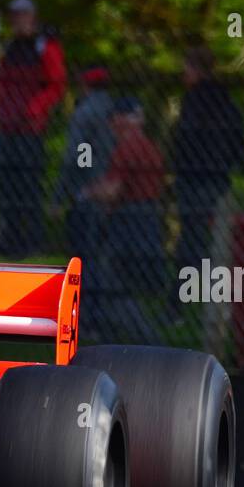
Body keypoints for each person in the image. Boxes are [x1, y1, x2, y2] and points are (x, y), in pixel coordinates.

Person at [84, 98, 165, 342]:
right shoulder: (150, 146)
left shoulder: (128, 148)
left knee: (112, 282)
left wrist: (88, 193)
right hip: (146, 218)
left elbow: (113, 191)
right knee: (117, 283)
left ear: (121, 120)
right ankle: (119, 336)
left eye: (114, 119)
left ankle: (144, 340)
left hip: (130, 221)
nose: (111, 125)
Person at [0, 0, 66, 257]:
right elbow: (0, 81)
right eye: (14, 15)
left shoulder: (45, 46)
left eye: (22, 15)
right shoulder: (10, 46)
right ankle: (8, 238)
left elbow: (56, 84)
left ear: (32, 17)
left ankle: (32, 240)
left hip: (31, 129)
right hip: (7, 126)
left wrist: (33, 109)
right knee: (7, 183)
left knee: (29, 185)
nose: (17, 20)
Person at [172, 45, 244, 287]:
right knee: (212, 234)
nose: (184, 75)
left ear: (195, 70)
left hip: (194, 178)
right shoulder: (227, 102)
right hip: (218, 177)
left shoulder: (193, 103)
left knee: (191, 236)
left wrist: (181, 165)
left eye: (186, 69)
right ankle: (209, 288)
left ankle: (183, 293)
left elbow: (184, 140)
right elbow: (238, 142)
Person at [51, 65, 114, 274]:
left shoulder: (86, 112)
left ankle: (83, 295)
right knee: (104, 250)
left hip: (87, 190)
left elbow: (76, 157)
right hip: (114, 188)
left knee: (83, 251)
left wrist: (60, 196)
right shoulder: (115, 110)